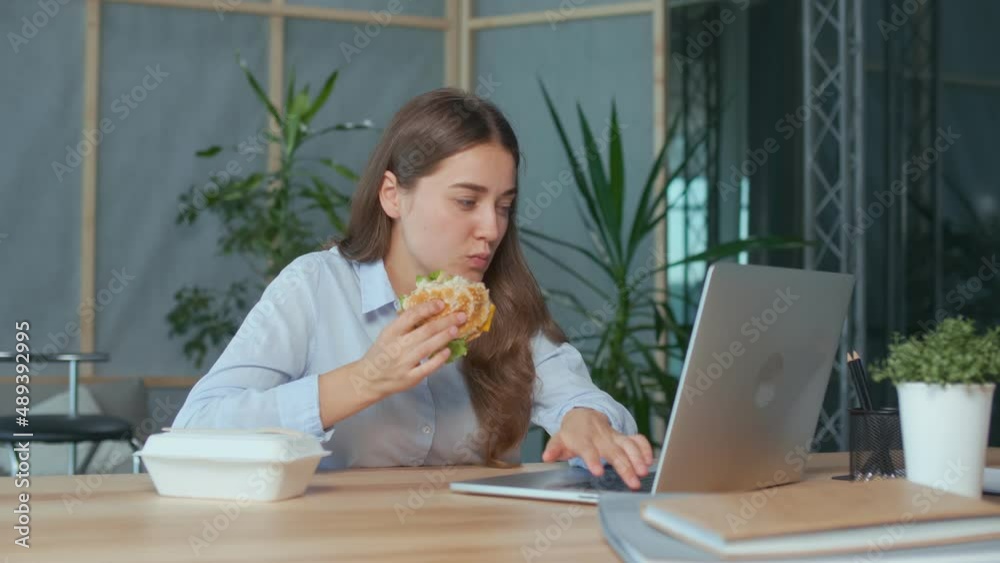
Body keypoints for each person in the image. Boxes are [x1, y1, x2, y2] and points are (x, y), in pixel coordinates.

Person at [172, 87, 653, 489]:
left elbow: (578, 399)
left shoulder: (504, 302)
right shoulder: (315, 286)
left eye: (504, 206)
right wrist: (363, 380)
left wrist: (588, 420)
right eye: (467, 201)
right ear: (392, 195)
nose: (491, 228)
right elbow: (195, 429)